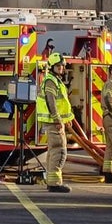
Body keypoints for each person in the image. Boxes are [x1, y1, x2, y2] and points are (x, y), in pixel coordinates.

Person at [36, 52, 74, 193]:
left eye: (62, 66)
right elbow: (51, 101)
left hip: (55, 121)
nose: (61, 68)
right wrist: (58, 119)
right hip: (54, 122)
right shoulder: (51, 81)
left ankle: (52, 181)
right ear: (52, 67)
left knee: (54, 151)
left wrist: (67, 120)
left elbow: (61, 103)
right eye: (58, 66)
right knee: (59, 151)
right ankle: (55, 183)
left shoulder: (54, 80)